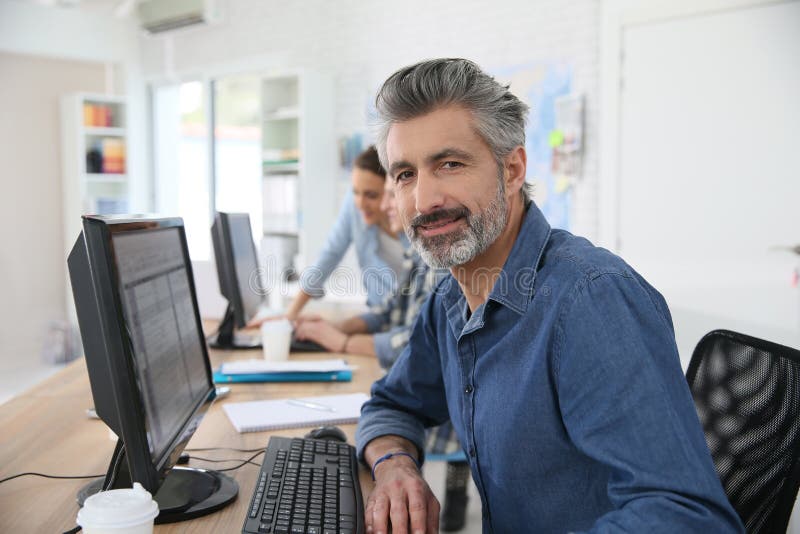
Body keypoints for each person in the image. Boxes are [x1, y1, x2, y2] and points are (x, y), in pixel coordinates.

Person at [355, 58, 744, 533]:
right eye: (405, 174)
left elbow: (688, 519)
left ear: (512, 168)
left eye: (449, 164)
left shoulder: (591, 302)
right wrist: (395, 464)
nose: (424, 199)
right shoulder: (449, 302)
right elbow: (393, 404)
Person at [295, 175, 470, 531]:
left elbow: (413, 343)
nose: (387, 205)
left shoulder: (441, 262)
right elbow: (388, 312)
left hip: (445, 416)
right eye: (391, 193)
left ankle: (457, 485)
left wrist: (340, 342)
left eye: (389, 194)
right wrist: (334, 329)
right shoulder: (418, 255)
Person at [284, 145, 408, 322]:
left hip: (412, 320)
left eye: (371, 195)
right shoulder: (355, 206)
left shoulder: (415, 223)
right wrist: (290, 315)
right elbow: (330, 254)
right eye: (355, 192)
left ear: (392, 191)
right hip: (379, 316)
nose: (360, 204)